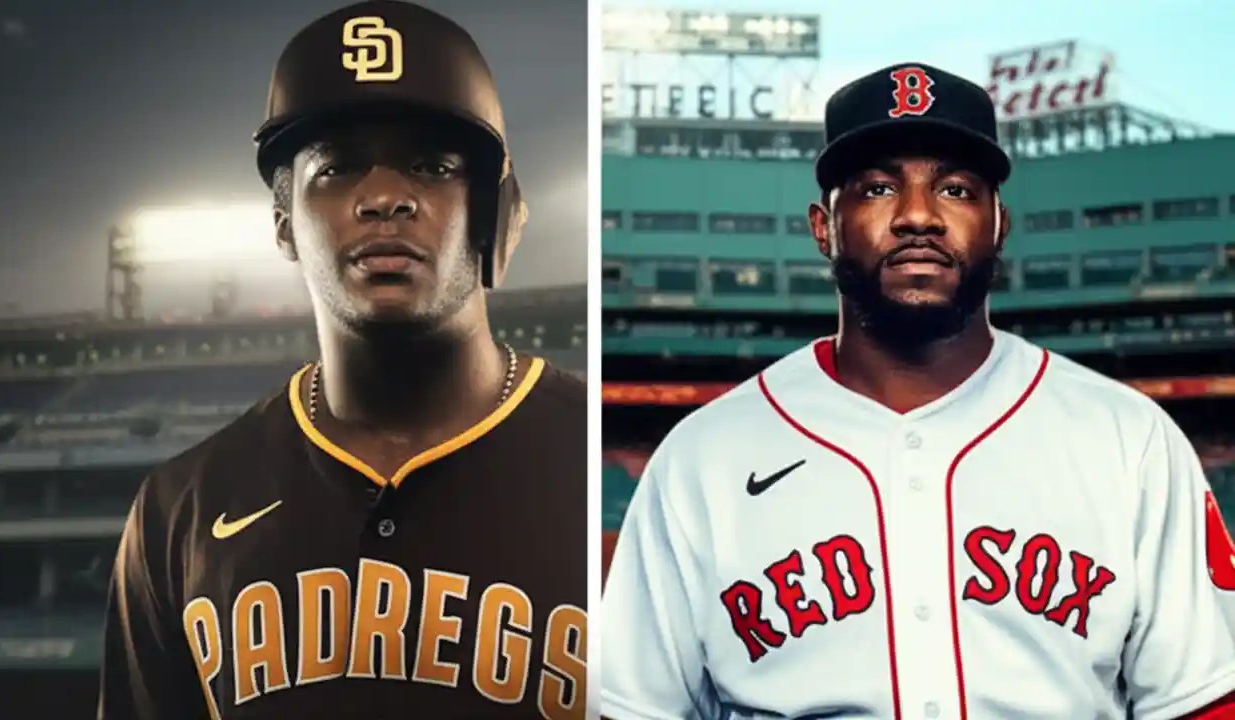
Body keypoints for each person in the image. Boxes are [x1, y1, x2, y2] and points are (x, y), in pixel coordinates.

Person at [600, 63, 1235, 720]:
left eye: (956, 190)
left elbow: (1203, 701)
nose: (917, 216)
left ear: (999, 223)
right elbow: (633, 707)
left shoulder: (1128, 438)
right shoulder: (703, 457)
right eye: (877, 188)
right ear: (824, 227)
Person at [98, 2, 586, 718]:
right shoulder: (182, 508)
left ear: (493, 209)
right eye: (337, 167)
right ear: (282, 217)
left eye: (431, 164)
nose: (386, 197)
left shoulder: (608, 471)